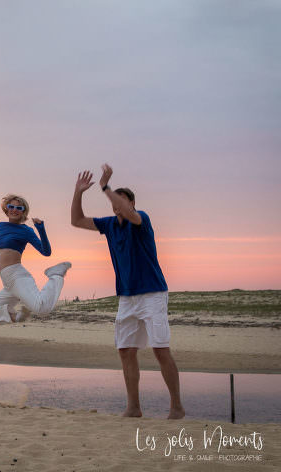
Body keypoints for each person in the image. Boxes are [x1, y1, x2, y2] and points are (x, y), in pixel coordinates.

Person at [71, 164, 184, 419]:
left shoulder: (140, 219)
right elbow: (76, 221)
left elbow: (130, 213)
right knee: (125, 350)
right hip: (126, 297)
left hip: (152, 293)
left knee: (160, 349)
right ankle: (133, 407)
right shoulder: (110, 225)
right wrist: (78, 192)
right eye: (115, 200)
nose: (117, 204)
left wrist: (105, 187)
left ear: (131, 202)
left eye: (122, 200)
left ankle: (177, 407)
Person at [0, 195, 71, 325]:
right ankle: (15, 316)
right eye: (11, 206)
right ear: (6, 209)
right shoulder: (0, 227)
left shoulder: (26, 230)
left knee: (42, 309)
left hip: (17, 276)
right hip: (8, 282)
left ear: (23, 212)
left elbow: (46, 252)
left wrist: (41, 229)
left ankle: (56, 275)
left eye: (19, 208)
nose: (14, 210)